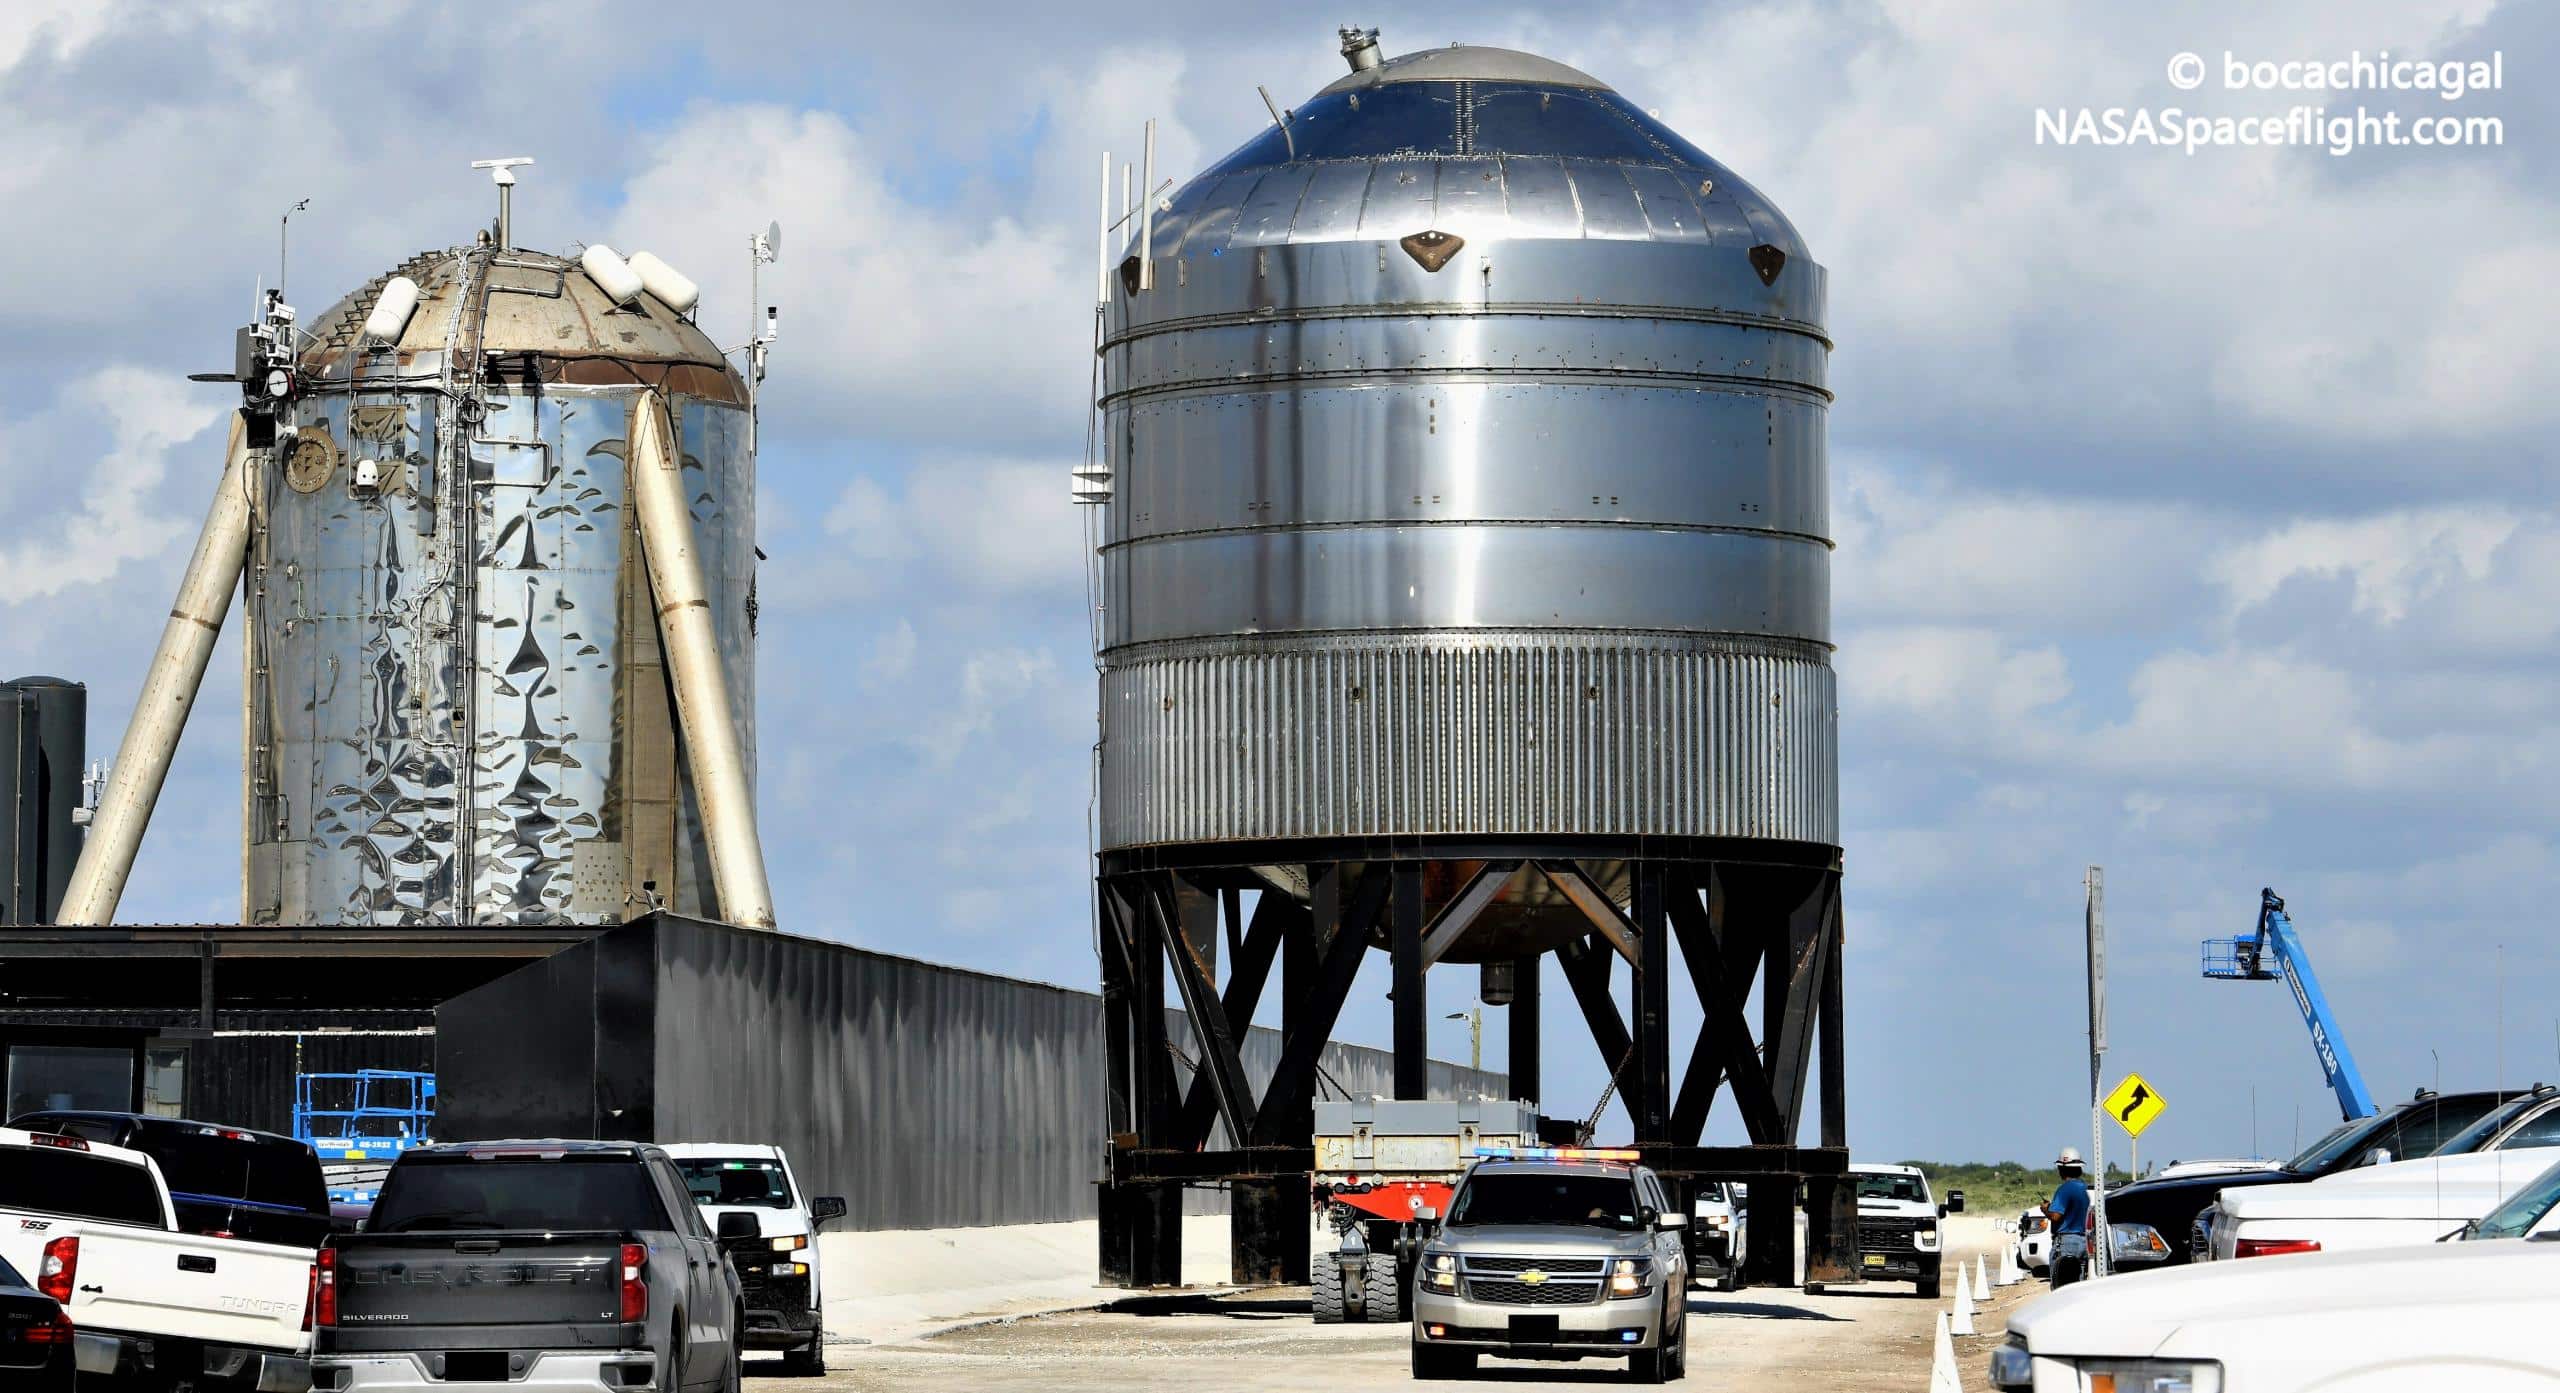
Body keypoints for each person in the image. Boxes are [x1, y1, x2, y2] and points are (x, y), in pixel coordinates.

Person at [2045, 1148, 2092, 1288]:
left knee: (2061, 1288)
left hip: (2066, 1243)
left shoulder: (2064, 1189)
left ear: (2062, 1169)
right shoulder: (2084, 1188)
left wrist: (2045, 1210)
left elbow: (2055, 1216)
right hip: (2084, 1241)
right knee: (2078, 1286)